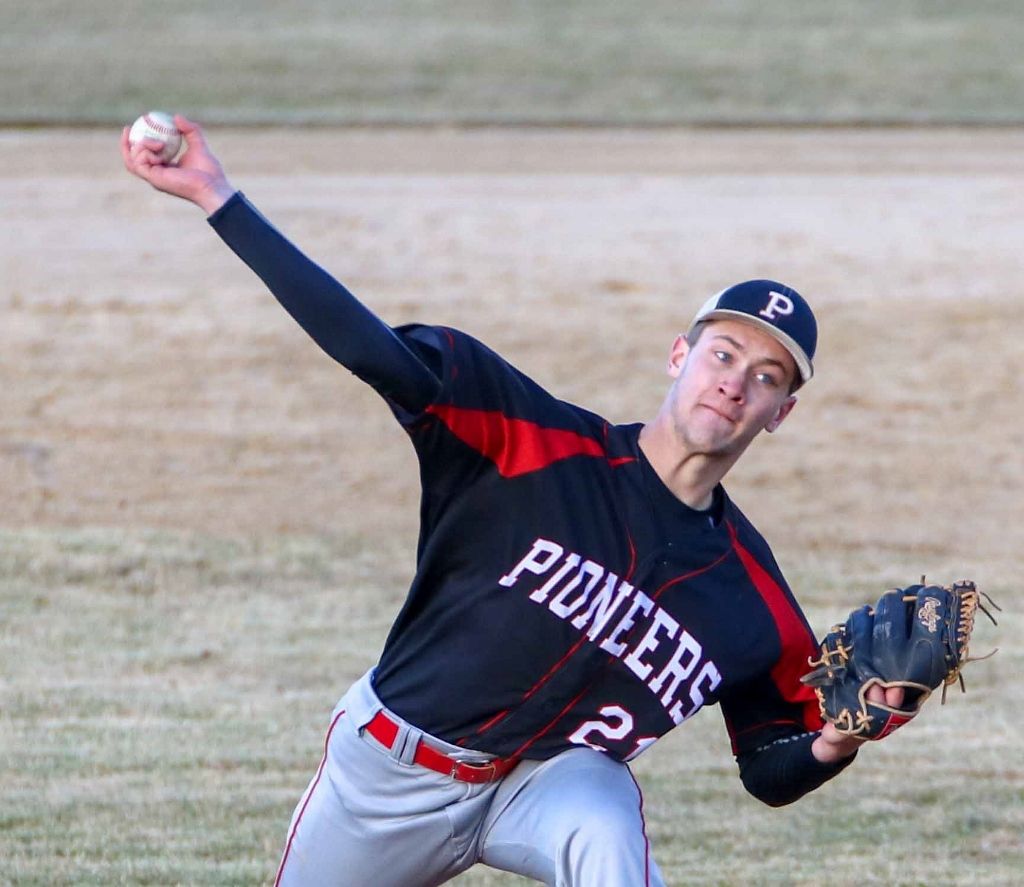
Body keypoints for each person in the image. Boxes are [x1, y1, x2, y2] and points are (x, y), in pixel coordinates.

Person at [122, 117, 908, 887]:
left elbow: (772, 761)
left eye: (768, 376)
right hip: (391, 776)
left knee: (603, 807)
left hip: (544, 788)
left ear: (781, 412)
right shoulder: (531, 442)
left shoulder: (752, 597)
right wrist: (219, 197)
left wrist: (838, 740)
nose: (736, 380)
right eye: (723, 352)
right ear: (680, 355)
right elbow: (369, 350)